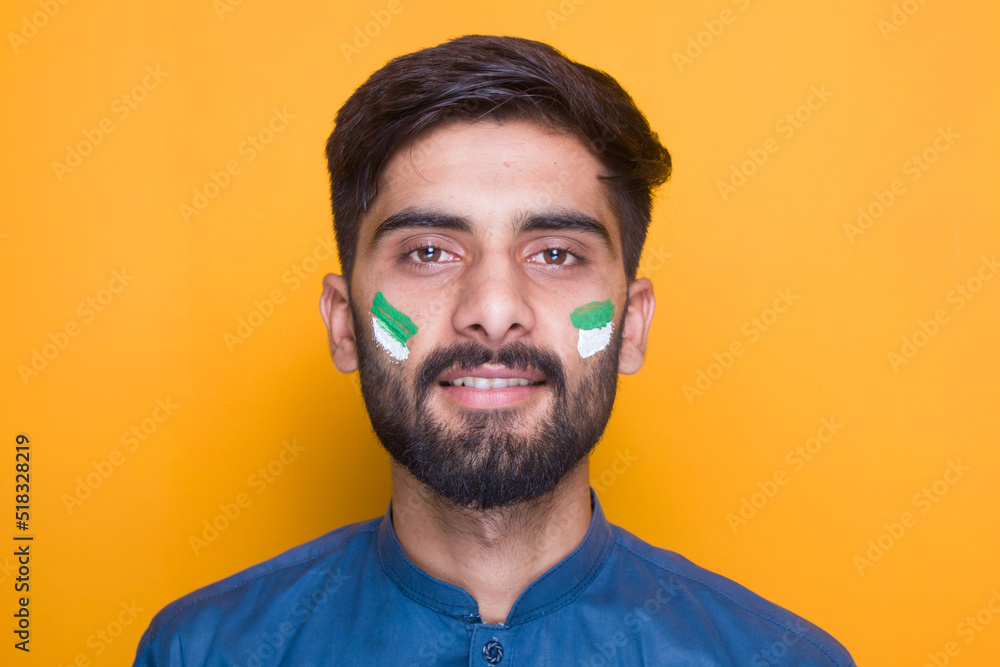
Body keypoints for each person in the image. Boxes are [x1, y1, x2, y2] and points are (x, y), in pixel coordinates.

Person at [134, 35, 855, 666]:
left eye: (554, 254)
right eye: (427, 250)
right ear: (345, 323)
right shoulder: (199, 652)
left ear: (631, 325)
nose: (493, 309)